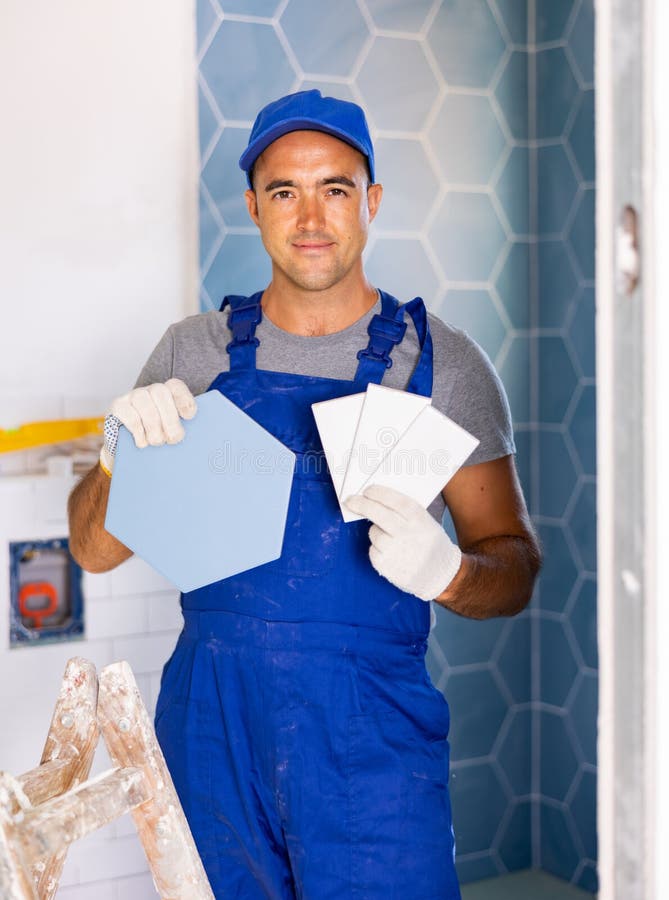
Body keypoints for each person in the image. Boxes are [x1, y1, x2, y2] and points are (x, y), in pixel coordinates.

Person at [68, 90, 541, 899]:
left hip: (371, 744)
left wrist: (449, 574)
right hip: (211, 729)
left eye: (336, 188)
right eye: (285, 190)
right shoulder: (194, 352)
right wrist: (117, 457)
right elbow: (93, 551)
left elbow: (515, 567)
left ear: (372, 202)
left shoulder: (440, 366)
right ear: (254, 207)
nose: (311, 216)